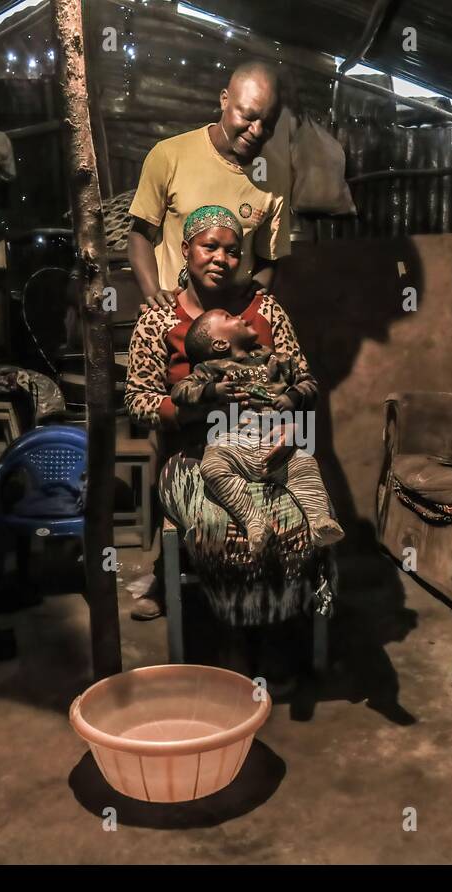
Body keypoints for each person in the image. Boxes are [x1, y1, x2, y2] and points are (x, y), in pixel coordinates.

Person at [124, 204, 313, 620]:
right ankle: (232, 632)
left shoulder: (265, 311)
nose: (221, 260)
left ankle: (280, 622)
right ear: (186, 248)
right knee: (221, 529)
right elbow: (139, 400)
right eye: (210, 247)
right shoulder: (158, 318)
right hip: (193, 457)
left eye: (232, 252)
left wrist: (289, 416)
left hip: (267, 451)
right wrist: (198, 410)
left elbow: (303, 379)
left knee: (298, 519)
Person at [172, 308, 343, 556]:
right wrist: (213, 391)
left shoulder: (277, 360)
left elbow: (309, 384)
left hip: (277, 436)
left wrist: (293, 396)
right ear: (220, 343)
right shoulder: (211, 369)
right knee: (212, 468)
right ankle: (253, 521)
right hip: (232, 439)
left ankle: (319, 521)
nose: (240, 316)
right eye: (229, 318)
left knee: (304, 465)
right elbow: (180, 391)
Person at [127, 60, 288, 312]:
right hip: (176, 314)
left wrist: (252, 302)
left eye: (268, 123)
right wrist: (154, 294)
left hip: (233, 322)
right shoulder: (169, 156)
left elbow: (269, 257)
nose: (256, 131)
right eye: (247, 116)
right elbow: (140, 235)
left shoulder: (275, 176)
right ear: (225, 100)